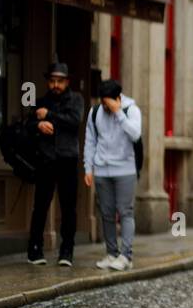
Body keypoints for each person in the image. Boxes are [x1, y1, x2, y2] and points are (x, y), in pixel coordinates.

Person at [26, 62, 85, 266]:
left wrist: (49, 116)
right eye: (52, 81)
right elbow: (28, 124)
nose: (56, 85)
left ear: (67, 82)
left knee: (68, 208)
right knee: (40, 206)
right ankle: (35, 250)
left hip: (68, 160)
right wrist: (39, 124)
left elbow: (74, 121)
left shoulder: (76, 99)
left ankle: (66, 251)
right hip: (46, 159)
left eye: (60, 81)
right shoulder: (40, 101)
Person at [84, 79, 143, 271]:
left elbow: (135, 134)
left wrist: (118, 112)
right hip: (102, 170)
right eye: (104, 103)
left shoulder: (131, 110)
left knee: (125, 212)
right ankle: (111, 254)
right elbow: (90, 141)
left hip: (125, 170)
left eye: (109, 103)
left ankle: (126, 256)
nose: (106, 107)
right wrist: (88, 168)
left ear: (118, 98)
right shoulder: (94, 112)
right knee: (106, 213)